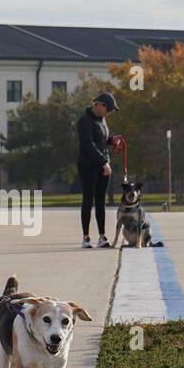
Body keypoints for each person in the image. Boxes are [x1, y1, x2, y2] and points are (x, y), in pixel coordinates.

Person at [76, 91, 121, 249]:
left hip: (103, 165)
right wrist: (103, 162)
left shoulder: (102, 120)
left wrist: (112, 140)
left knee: (101, 201)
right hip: (88, 165)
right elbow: (88, 145)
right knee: (88, 199)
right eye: (108, 109)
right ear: (99, 105)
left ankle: (102, 237)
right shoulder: (85, 120)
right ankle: (86, 237)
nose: (109, 113)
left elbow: (102, 138)